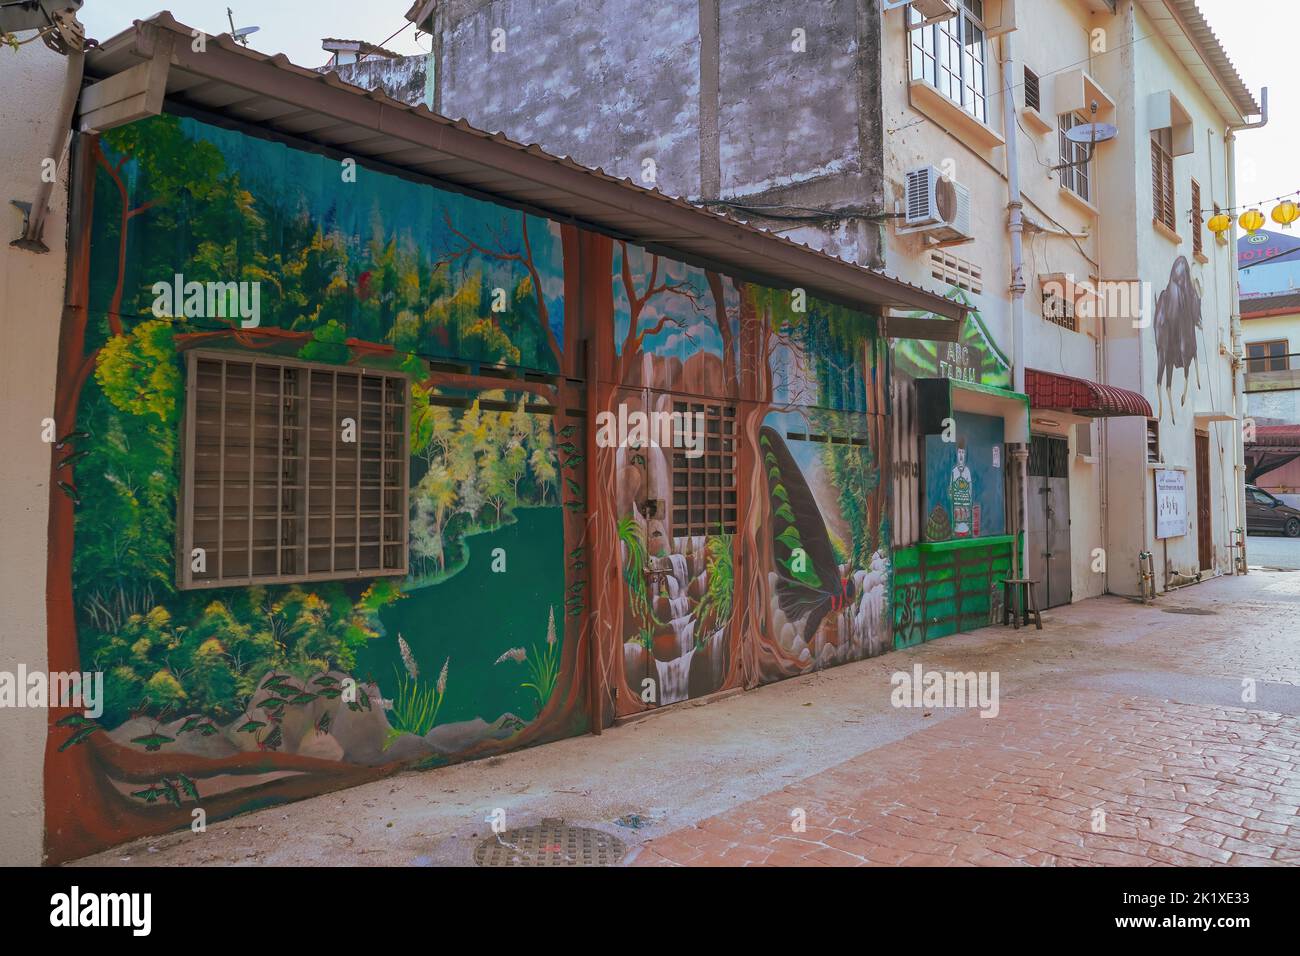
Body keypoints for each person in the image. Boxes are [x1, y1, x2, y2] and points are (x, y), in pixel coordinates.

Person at [950, 438, 973, 538]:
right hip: (957, 502)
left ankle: (966, 531)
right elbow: (951, 488)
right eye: (959, 452)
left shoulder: (967, 471)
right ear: (956, 454)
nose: (961, 455)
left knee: (965, 517)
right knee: (957, 518)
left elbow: (970, 487)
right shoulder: (954, 471)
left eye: (963, 452)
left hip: (965, 501)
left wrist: (969, 497)